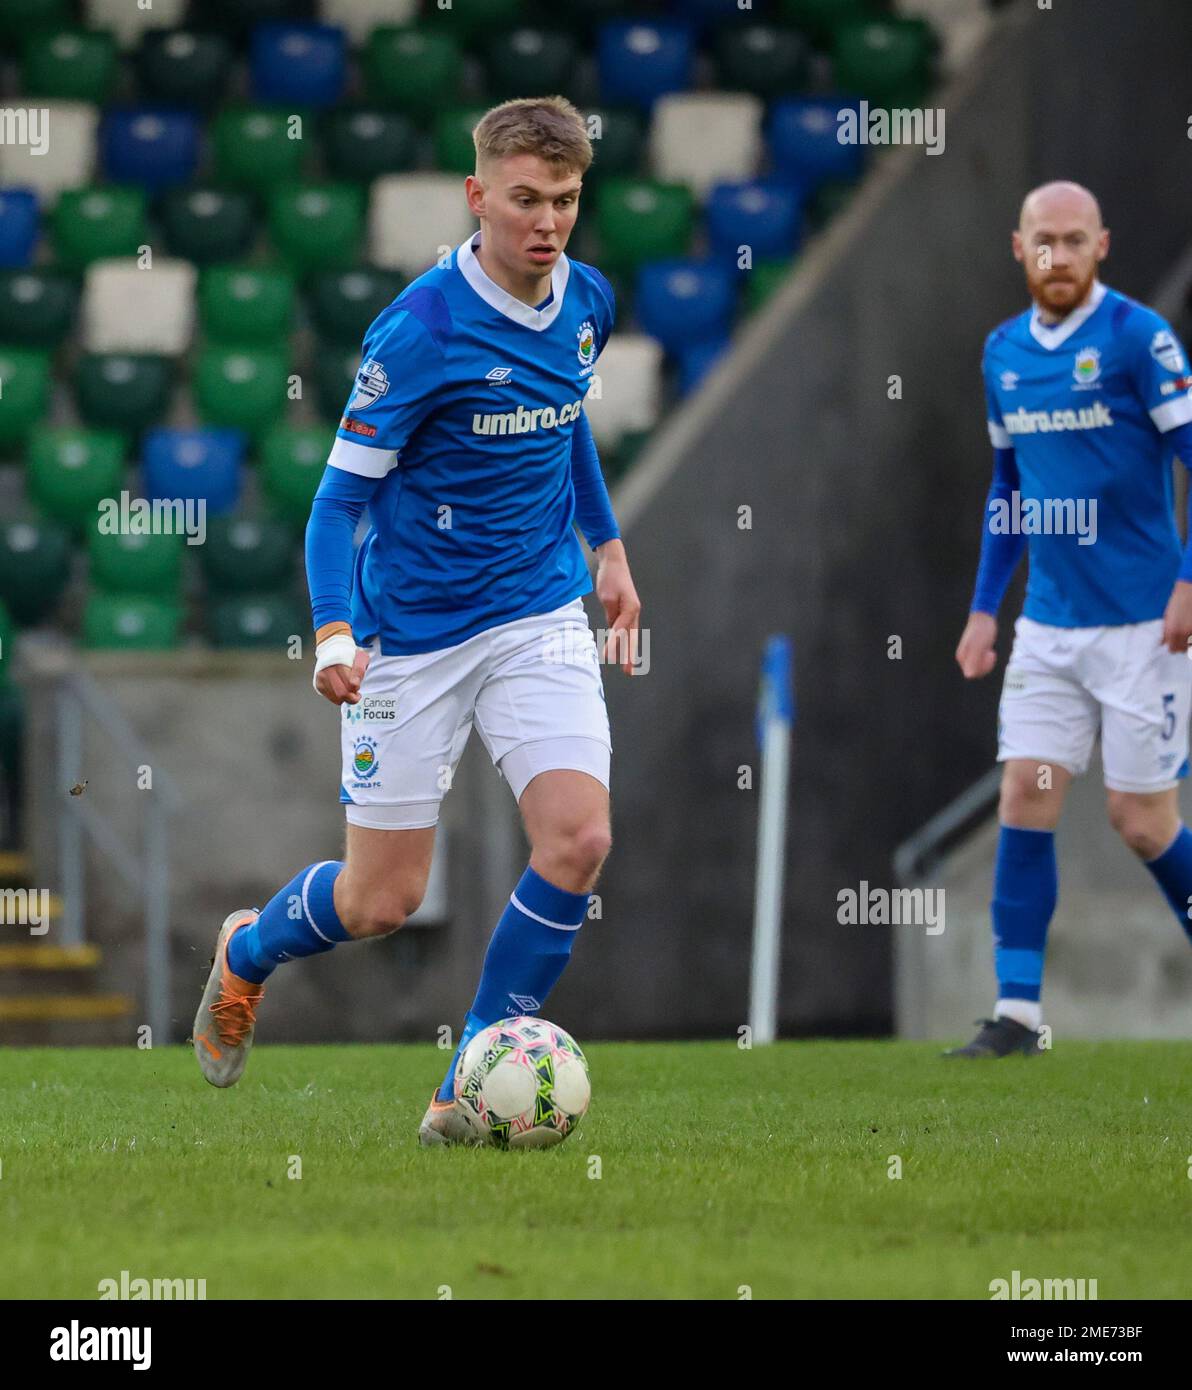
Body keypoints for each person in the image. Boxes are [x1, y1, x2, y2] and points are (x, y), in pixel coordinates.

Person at [193, 97, 642, 1139]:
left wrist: (607, 545)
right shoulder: (420, 330)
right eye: (524, 200)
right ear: (477, 195)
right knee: (378, 901)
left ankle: (467, 1080)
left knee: (578, 840)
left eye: (565, 201)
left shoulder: (590, 301)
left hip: (538, 613)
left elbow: (567, 420)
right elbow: (337, 502)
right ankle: (246, 954)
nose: (546, 223)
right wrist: (335, 629)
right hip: (414, 638)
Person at [951, 181, 1192, 1057]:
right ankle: (1017, 1015)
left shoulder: (1138, 338)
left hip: (1142, 624)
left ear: (1102, 247)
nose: (1059, 256)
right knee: (1027, 792)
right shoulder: (1004, 353)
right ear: (1020, 249)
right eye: (1043, 241)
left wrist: (1189, 582)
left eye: (1074, 240)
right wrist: (985, 610)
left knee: (1141, 820)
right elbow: (1007, 490)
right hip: (1048, 627)